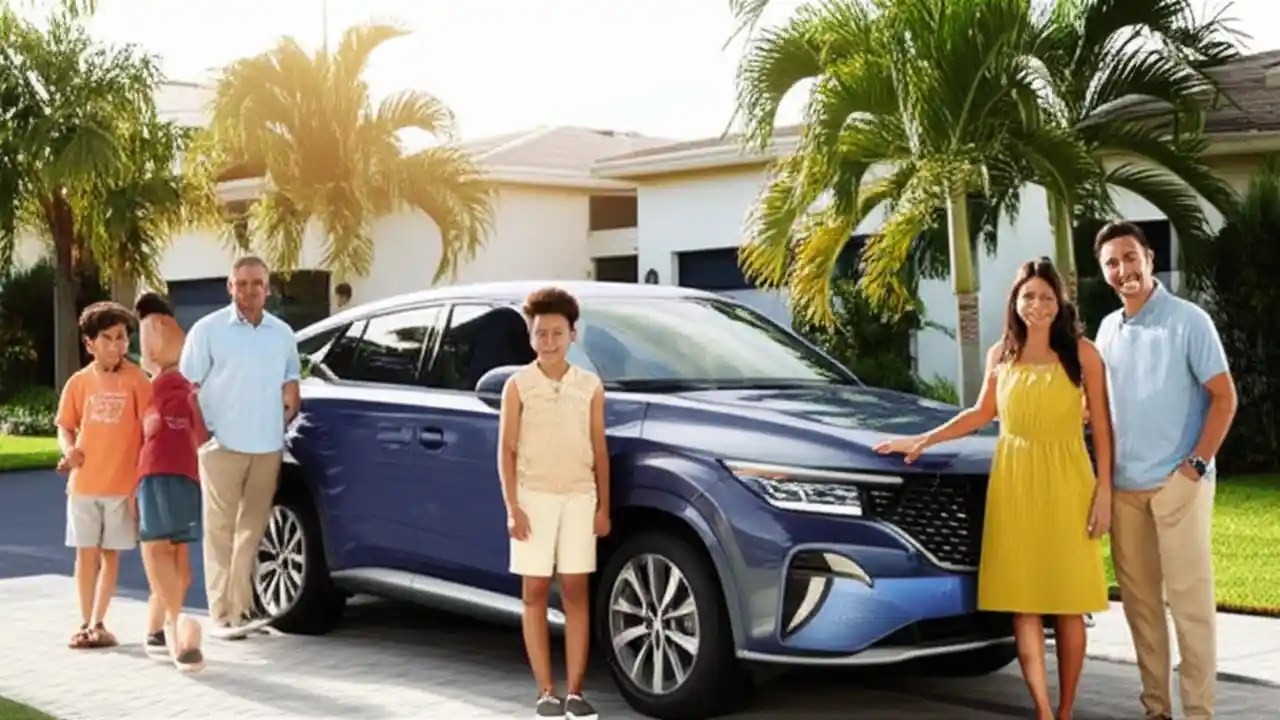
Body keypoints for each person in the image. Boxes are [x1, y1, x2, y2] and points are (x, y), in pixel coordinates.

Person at [875, 258, 1111, 720]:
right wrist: (924, 439)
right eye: (1028, 296)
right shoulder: (1001, 353)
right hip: (1015, 482)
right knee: (1023, 601)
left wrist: (1105, 492)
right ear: (1015, 302)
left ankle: (1066, 711)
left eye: (1046, 296)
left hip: (1068, 481)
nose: (1037, 305)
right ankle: (1043, 711)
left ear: (1059, 302)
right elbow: (980, 414)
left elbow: (1102, 428)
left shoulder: (1082, 354)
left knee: (1068, 600)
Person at [1093, 221, 1237, 720]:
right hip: (1126, 490)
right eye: (1112, 263)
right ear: (1104, 272)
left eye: (1130, 258)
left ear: (1149, 258)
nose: (1123, 270)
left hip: (1180, 486)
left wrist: (1195, 467)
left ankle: (1198, 712)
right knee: (1141, 610)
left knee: (1190, 608)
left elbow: (1224, 397)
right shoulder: (1108, 329)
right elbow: (1107, 413)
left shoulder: (1188, 321)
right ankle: (1156, 708)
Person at [499, 286, 610, 720]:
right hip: (533, 497)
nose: (548, 342)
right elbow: (505, 450)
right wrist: (513, 506)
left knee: (577, 591)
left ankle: (576, 691)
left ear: (572, 335)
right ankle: (546, 690)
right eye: (540, 334)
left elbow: (600, 449)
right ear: (531, 338)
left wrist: (604, 507)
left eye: (557, 333)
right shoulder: (518, 386)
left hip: (580, 497)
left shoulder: (590, 386)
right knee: (535, 591)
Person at [179, 255, 302, 640]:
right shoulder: (208, 330)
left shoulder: (282, 334)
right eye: (242, 283)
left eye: (257, 283)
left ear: (268, 289)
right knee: (221, 531)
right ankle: (223, 615)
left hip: (267, 447)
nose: (249, 290)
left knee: (252, 529)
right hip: (222, 446)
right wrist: (205, 436)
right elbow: (187, 389)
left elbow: (291, 388)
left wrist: (283, 421)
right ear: (230, 287)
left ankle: (243, 608)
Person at [55, 301, 152, 649]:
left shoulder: (138, 381)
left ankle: (99, 621)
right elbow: (65, 426)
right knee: (86, 555)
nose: (117, 345)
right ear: (90, 343)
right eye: (108, 338)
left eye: (122, 338)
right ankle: (83, 622)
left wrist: (141, 484)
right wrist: (68, 450)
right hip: (83, 486)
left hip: (121, 487)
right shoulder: (78, 383)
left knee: (111, 554)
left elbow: (148, 432)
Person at [134, 292, 207, 672]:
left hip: (166, 469)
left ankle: (173, 628)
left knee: (161, 552)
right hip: (178, 471)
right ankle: (164, 631)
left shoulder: (155, 330)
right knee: (172, 554)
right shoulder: (184, 374)